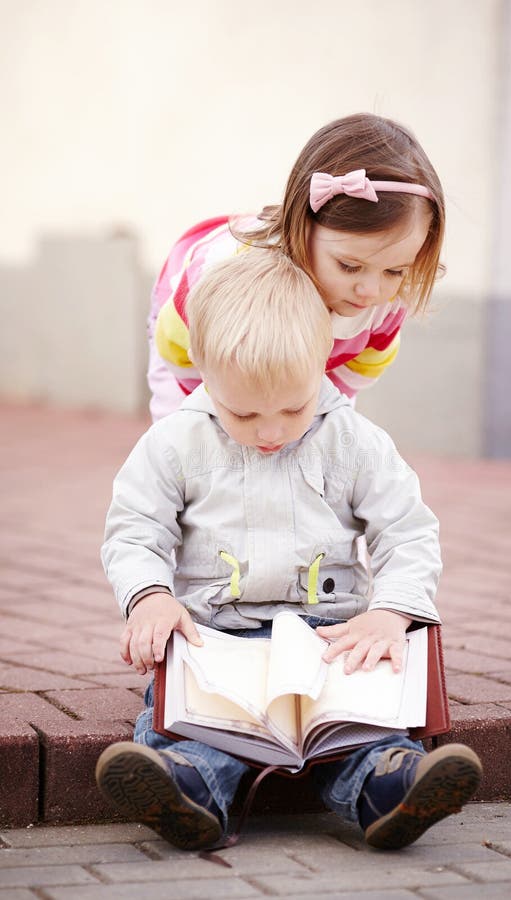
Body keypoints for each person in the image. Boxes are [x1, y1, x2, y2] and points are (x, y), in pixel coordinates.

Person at [97, 249, 481, 853]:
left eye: (294, 408)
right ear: (204, 371)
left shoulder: (353, 440)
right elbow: (135, 529)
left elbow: (407, 531)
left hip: (332, 639)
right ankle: (188, 790)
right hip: (215, 639)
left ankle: (391, 788)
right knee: (198, 726)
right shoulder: (175, 442)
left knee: (363, 724)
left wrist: (390, 612)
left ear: (322, 364)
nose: (272, 432)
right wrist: (149, 597)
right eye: (244, 412)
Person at [147, 112, 445, 421]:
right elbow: (177, 350)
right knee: (190, 436)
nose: (370, 290)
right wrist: (224, 411)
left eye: (395, 271)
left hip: (306, 367)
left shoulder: (386, 303)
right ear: (303, 228)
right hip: (190, 349)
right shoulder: (220, 276)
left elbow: (358, 373)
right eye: (349, 266)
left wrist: (302, 414)